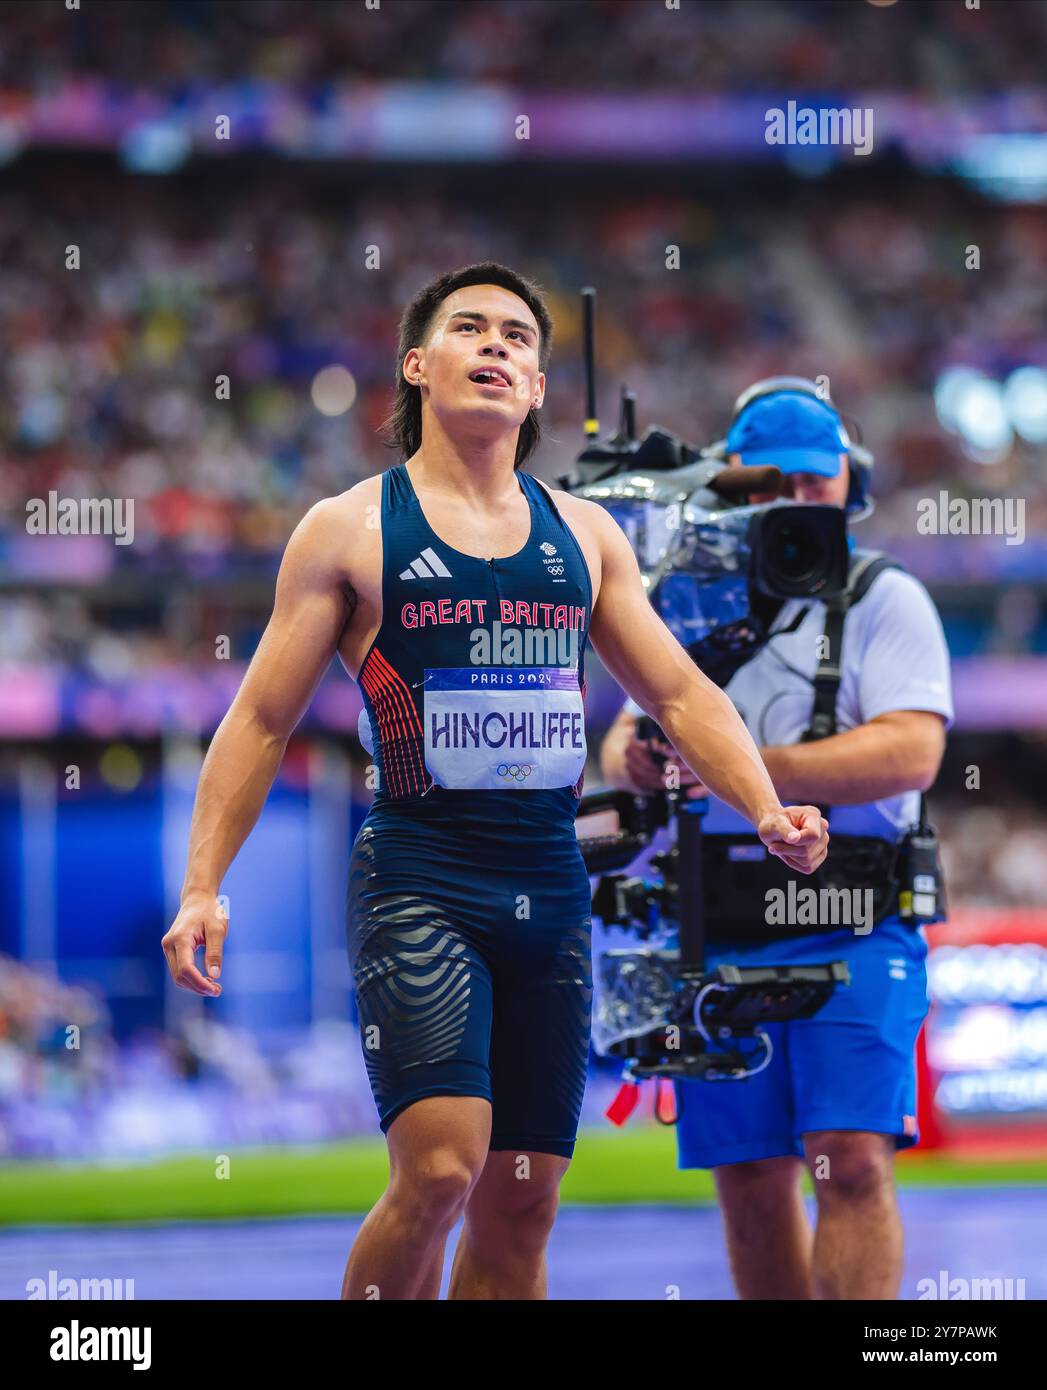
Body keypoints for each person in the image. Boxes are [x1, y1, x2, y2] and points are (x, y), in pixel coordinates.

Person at [162, 266, 828, 1300]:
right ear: (417, 366)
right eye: (468, 327)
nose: (496, 346)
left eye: (518, 337)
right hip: (421, 876)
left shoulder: (585, 537)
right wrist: (203, 883)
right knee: (437, 1168)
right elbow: (257, 719)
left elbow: (684, 695)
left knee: (522, 1200)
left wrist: (767, 808)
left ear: (538, 387)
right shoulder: (350, 529)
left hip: (551, 892)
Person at [601, 380, 953, 1300]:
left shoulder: (884, 594)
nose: (794, 505)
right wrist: (637, 761)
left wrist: (744, 768)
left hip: (854, 911)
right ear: (733, 490)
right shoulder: (677, 600)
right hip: (716, 921)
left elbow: (914, 748)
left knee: (851, 1159)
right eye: (772, 487)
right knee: (751, 1182)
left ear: (849, 487)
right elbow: (623, 732)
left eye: (812, 485)